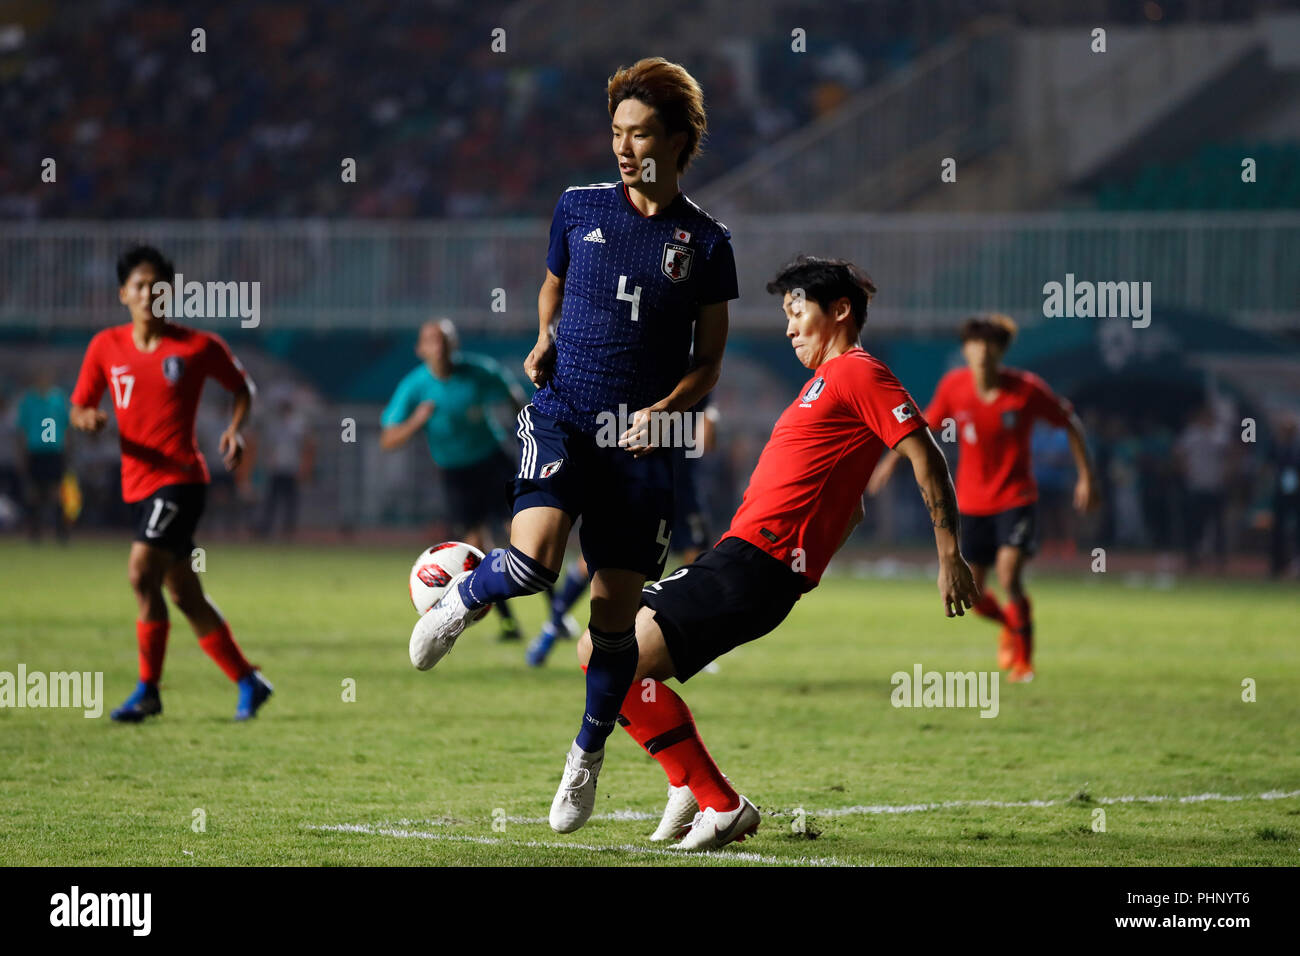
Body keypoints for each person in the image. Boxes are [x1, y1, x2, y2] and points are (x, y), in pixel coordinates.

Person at [409, 57, 738, 835]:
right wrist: (544, 335)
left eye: (640, 132)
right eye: (617, 132)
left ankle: (586, 757)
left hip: (643, 443)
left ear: (680, 138)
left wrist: (664, 409)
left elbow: (709, 363)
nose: (623, 147)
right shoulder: (576, 206)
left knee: (613, 628)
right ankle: (463, 601)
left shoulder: (708, 242)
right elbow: (552, 288)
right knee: (532, 563)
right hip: (562, 414)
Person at [570, 255, 977, 850]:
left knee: (605, 655)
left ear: (839, 312)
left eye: (797, 313)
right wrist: (802, 565)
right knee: (610, 657)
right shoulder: (821, 385)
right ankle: (691, 785)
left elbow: (927, 457)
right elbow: (854, 509)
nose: (788, 329)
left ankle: (718, 800)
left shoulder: (858, 372)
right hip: (746, 561)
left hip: (752, 565)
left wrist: (949, 556)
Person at [69, 245, 272, 722]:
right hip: (136, 485)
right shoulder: (105, 347)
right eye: (139, 285)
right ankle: (248, 680)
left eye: (158, 286)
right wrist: (86, 420)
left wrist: (234, 429)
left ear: (171, 293)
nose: (148, 294)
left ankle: (148, 691)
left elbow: (243, 388)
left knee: (141, 573)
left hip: (181, 480)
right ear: (123, 293)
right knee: (183, 593)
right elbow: (78, 405)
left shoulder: (197, 347)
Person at [870, 313, 1097, 683]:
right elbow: (919, 428)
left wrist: (1087, 478)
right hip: (971, 504)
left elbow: (1070, 423)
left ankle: (1023, 662)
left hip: (1016, 498)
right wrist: (888, 464)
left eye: (991, 344)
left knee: (1009, 577)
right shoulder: (954, 387)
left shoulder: (1026, 389)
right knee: (972, 595)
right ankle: (1012, 624)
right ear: (965, 349)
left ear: (1002, 350)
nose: (982, 351)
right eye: (975, 343)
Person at [524, 393, 718, 668]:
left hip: (681, 486)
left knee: (696, 559)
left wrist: (705, 420)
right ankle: (551, 629)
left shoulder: (696, 373)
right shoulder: (646, 369)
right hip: (641, 479)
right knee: (599, 559)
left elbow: (706, 433)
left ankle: (689, 642)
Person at [380, 318, 531, 639]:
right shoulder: (415, 386)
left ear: (454, 345)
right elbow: (388, 439)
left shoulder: (480, 372)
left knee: (523, 534)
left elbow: (514, 396)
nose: (440, 347)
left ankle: (555, 613)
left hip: (493, 462)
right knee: (477, 548)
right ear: (420, 349)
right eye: (432, 341)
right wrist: (416, 421)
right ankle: (508, 623)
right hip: (455, 472)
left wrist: (529, 430)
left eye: (445, 340)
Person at [16, 368, 71, 542]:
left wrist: (68, 451)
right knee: (34, 493)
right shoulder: (28, 400)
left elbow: (66, 427)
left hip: (54, 451)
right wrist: (22, 453)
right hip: (35, 451)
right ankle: (35, 531)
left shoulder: (58, 399)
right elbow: (22, 430)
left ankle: (61, 532)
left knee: (56, 492)